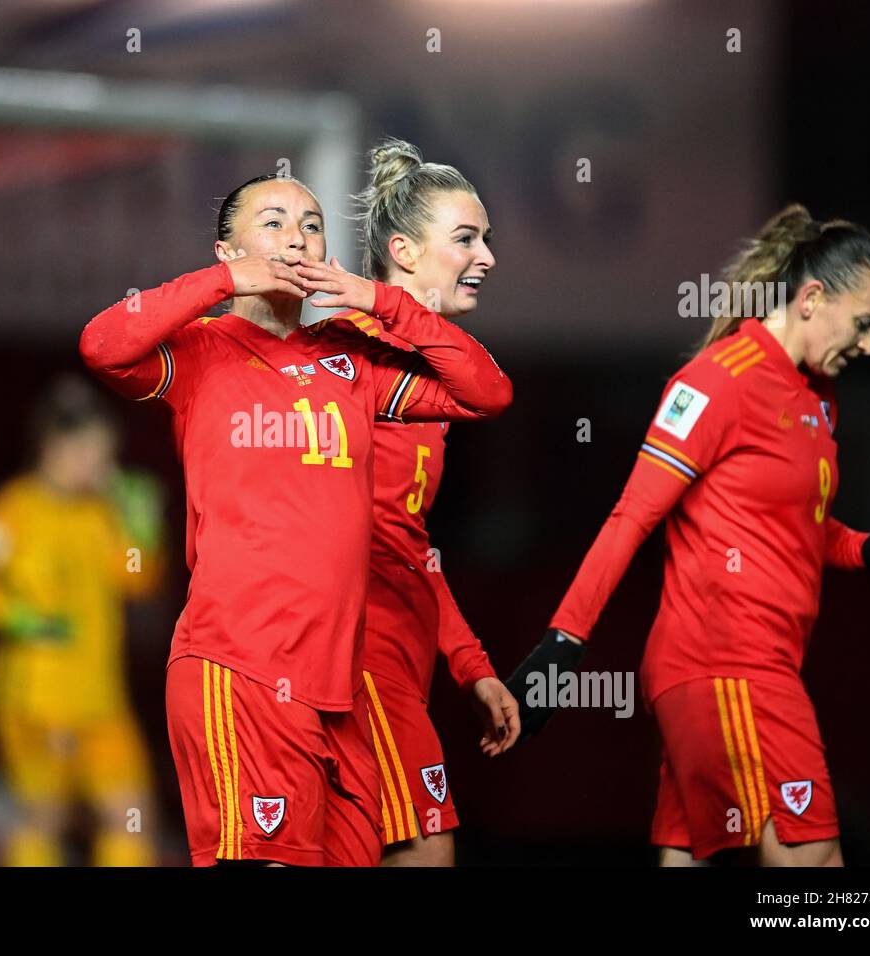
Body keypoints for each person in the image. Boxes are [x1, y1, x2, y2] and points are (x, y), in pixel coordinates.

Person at [79, 172, 511, 866]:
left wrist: (383, 300)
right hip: (238, 669)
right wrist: (221, 282)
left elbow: (487, 393)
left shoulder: (349, 359)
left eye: (310, 223)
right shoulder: (201, 352)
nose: (297, 235)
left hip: (333, 689)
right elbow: (101, 345)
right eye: (274, 222)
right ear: (228, 249)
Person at [506, 204, 870, 866]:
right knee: (811, 864)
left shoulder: (819, 401)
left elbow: (794, 529)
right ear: (813, 298)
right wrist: (561, 646)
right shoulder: (717, 382)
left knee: (688, 859)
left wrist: (861, 547)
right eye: (865, 324)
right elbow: (632, 516)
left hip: (750, 668)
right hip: (728, 664)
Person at [315, 139, 520, 866]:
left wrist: (470, 663)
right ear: (402, 250)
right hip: (354, 647)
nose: (488, 255)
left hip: (403, 653)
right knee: (428, 850)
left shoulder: (425, 376)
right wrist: (384, 304)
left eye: (487, 237)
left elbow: (410, 542)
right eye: (467, 238)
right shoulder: (344, 355)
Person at [0, 375, 164, 867]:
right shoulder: (15, 510)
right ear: (55, 446)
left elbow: (140, 583)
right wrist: (21, 618)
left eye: (107, 454)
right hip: (37, 696)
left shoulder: (100, 514)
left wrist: (138, 521)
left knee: (131, 815)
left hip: (102, 696)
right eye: (92, 452)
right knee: (44, 818)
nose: (102, 466)